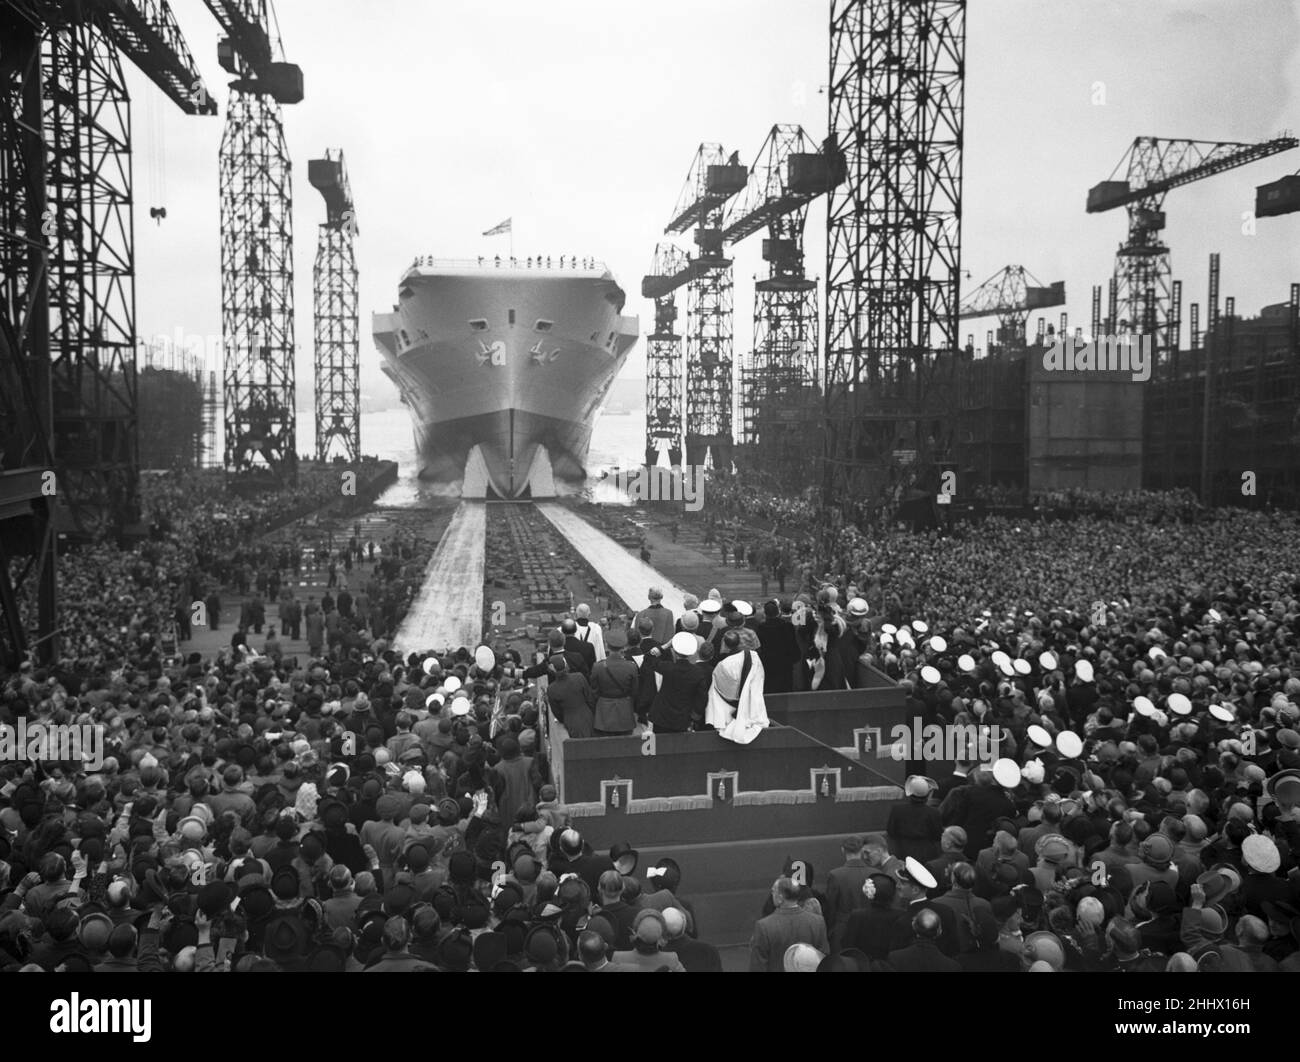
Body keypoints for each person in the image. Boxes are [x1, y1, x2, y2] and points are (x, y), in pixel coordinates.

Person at [750, 876, 829, 972]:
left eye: (773, 891)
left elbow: (758, 966)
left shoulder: (763, 926)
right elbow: (823, 960)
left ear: (780, 898)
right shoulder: (817, 922)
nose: (772, 894)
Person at [704, 629, 769, 744]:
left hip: (731, 708)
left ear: (724, 644)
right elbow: (759, 679)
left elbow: (720, 691)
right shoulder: (754, 657)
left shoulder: (723, 665)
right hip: (752, 702)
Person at [646, 632, 710, 734]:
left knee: (659, 747)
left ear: (674, 651)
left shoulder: (668, 667)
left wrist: (666, 646)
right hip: (683, 719)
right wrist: (693, 718)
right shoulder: (698, 673)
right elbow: (702, 699)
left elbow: (649, 659)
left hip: (661, 716)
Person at [590, 629, 639, 736]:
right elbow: (634, 692)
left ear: (607, 646)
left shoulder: (597, 667)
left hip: (603, 714)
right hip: (625, 712)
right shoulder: (631, 667)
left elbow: (594, 692)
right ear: (623, 647)